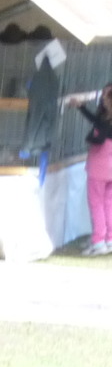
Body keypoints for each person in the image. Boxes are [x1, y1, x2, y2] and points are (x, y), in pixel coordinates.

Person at [63, 83, 112, 256]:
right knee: (108, 203)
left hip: (100, 166)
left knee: (97, 203)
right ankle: (109, 238)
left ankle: (99, 241)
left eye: (106, 96)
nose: (103, 99)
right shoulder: (104, 118)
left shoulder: (105, 121)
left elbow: (97, 124)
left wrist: (81, 107)